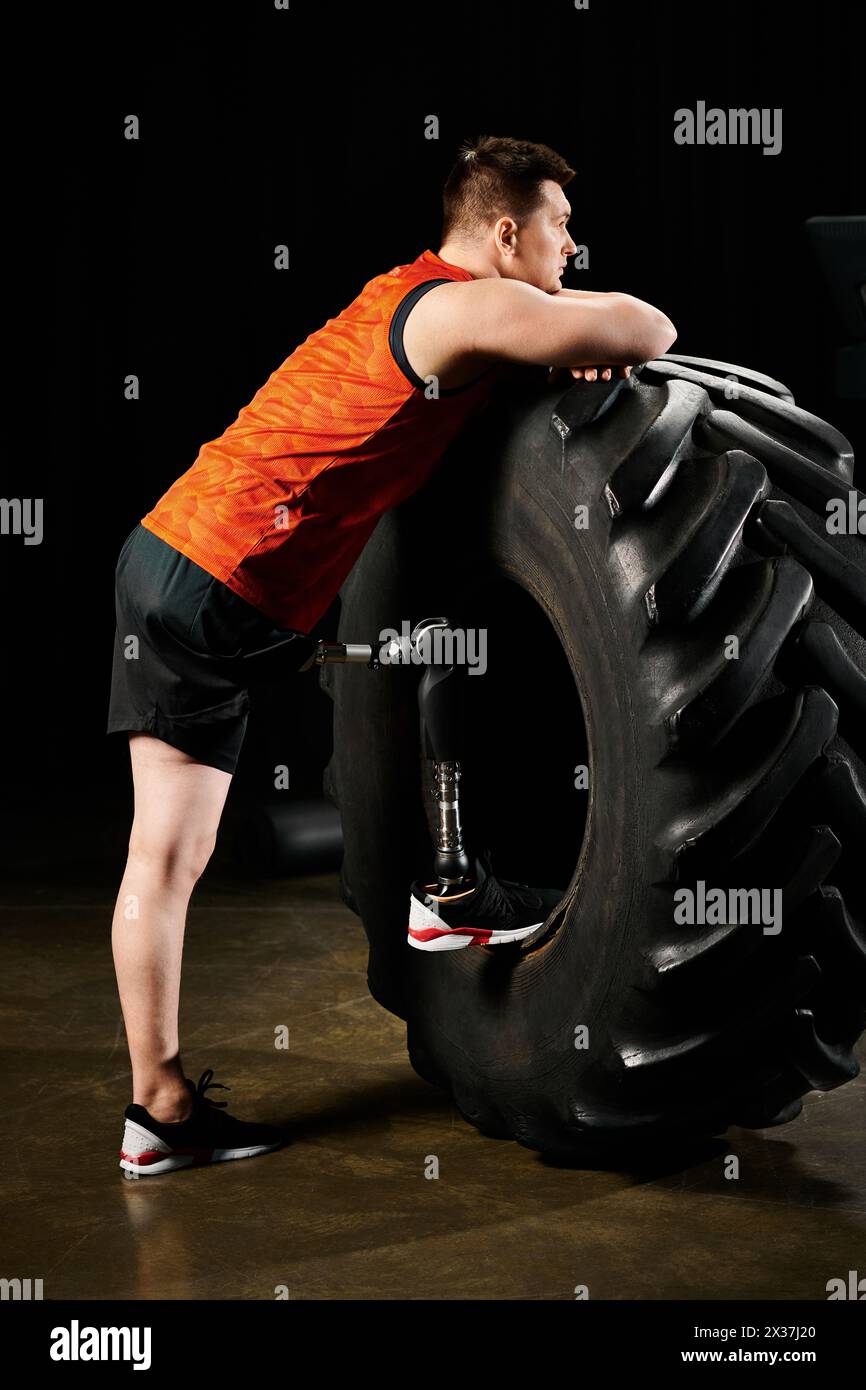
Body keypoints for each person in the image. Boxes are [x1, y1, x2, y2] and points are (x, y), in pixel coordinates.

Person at [108, 134, 677, 1176]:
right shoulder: (465, 303)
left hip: (182, 556)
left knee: (423, 642)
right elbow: (647, 323)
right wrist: (574, 330)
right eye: (557, 227)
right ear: (502, 233)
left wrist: (555, 335)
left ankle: (443, 889)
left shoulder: (406, 294)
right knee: (170, 858)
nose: (570, 245)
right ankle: (158, 1108)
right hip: (221, 581)